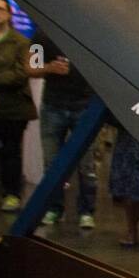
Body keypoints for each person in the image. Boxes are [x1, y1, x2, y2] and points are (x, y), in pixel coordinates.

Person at [26, 30, 98, 228]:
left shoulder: (93, 34)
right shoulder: (43, 35)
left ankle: (87, 211)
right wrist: (49, 67)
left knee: (87, 166)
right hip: (53, 105)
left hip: (85, 105)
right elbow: (31, 67)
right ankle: (54, 208)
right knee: (52, 163)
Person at [0, 0, 37, 215]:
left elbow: (21, 72)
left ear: (9, 13)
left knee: (10, 153)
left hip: (13, 107)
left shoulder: (21, 42)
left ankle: (12, 194)